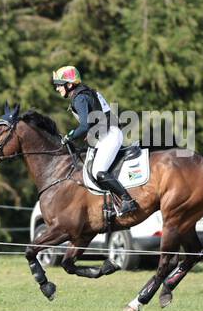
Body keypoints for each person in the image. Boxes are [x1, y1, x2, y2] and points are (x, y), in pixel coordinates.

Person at [52, 65, 138, 216]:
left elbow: (85, 125)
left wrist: (69, 136)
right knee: (91, 169)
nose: (57, 88)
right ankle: (111, 204)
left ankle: (127, 200)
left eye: (59, 85)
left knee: (99, 171)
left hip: (109, 135)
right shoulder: (87, 92)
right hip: (106, 134)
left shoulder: (79, 98)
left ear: (69, 84)